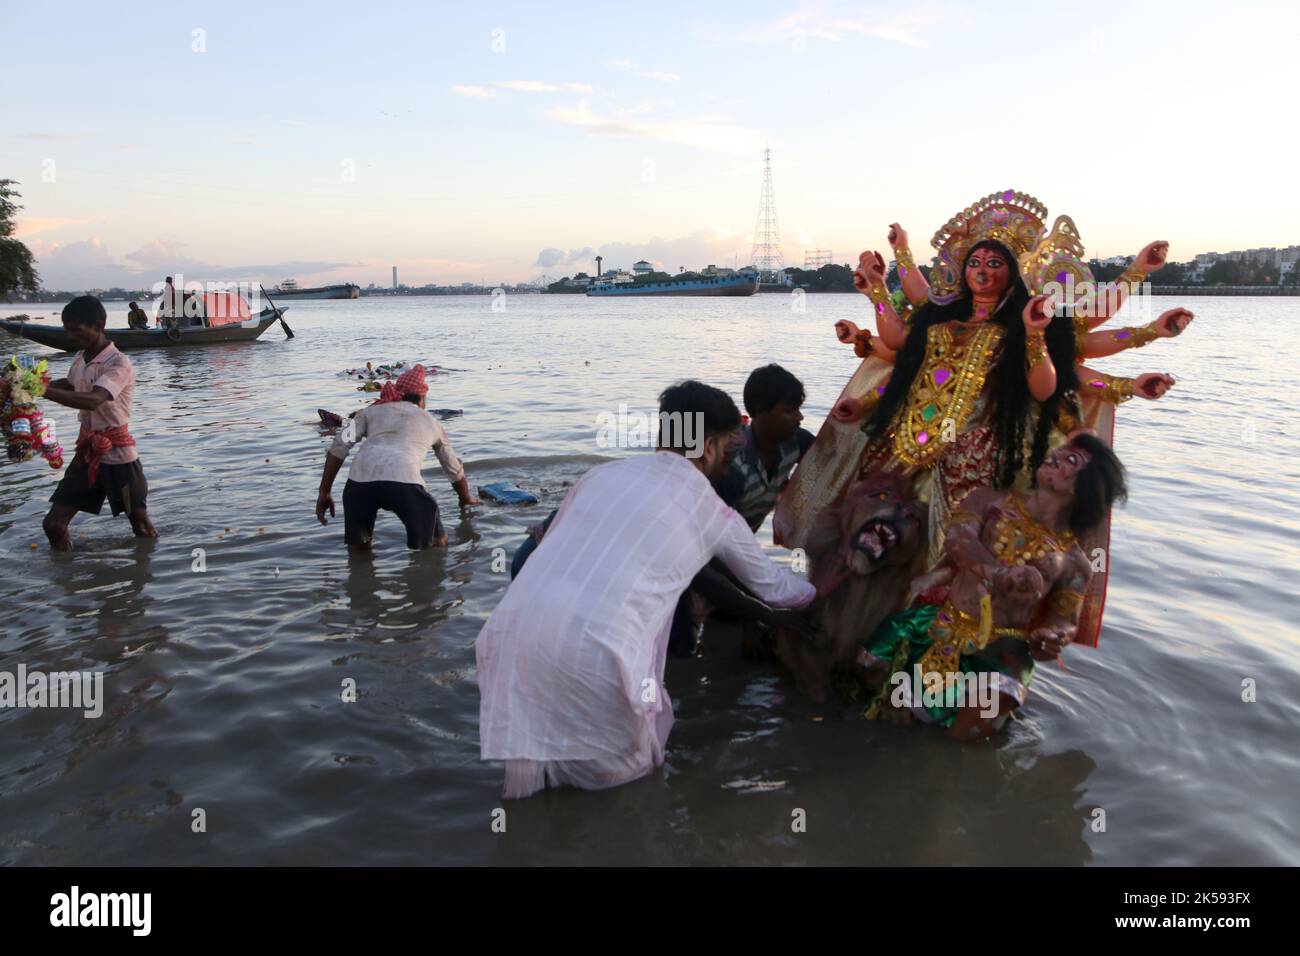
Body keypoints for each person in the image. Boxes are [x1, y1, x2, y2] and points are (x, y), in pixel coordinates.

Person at [777, 190, 1187, 647]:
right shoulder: (939, 316)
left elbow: (1058, 375)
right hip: (903, 450)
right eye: (977, 261)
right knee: (871, 541)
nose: (984, 269)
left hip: (974, 462)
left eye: (996, 262)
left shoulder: (1029, 323)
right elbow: (900, 351)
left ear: (1012, 273)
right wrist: (879, 283)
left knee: (951, 560)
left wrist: (1139, 301)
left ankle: (935, 654)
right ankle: (845, 639)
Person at [477, 380, 817, 799]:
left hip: (510, 634)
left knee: (537, 789)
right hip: (599, 651)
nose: (733, 453)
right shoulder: (710, 509)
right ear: (708, 445)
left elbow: (548, 546)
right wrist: (827, 594)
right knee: (630, 796)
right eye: (730, 442)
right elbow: (777, 588)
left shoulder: (600, 475)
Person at [857, 433, 1127, 740]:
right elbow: (958, 540)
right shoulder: (986, 500)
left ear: (1084, 487)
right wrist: (1000, 574)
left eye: (1071, 460)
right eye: (1062, 450)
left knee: (970, 734)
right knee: (870, 673)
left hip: (1002, 653)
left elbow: (1064, 621)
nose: (1056, 455)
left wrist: (1050, 638)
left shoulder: (1074, 563)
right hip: (940, 625)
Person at [316, 364, 478, 552]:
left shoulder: (369, 412)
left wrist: (324, 492)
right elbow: (453, 469)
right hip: (404, 483)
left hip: (358, 484)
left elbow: (338, 446)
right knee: (437, 545)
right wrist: (466, 498)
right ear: (422, 398)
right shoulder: (431, 422)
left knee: (358, 553)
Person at [42, 295, 157, 550]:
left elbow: (94, 400)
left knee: (140, 525)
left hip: (118, 456)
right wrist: (32, 384)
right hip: (88, 452)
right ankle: (68, 579)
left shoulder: (118, 363)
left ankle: (145, 578)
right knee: (54, 525)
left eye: (76, 330)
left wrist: (43, 392)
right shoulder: (81, 357)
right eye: (66, 330)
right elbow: (72, 385)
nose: (70, 336)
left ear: (98, 325)